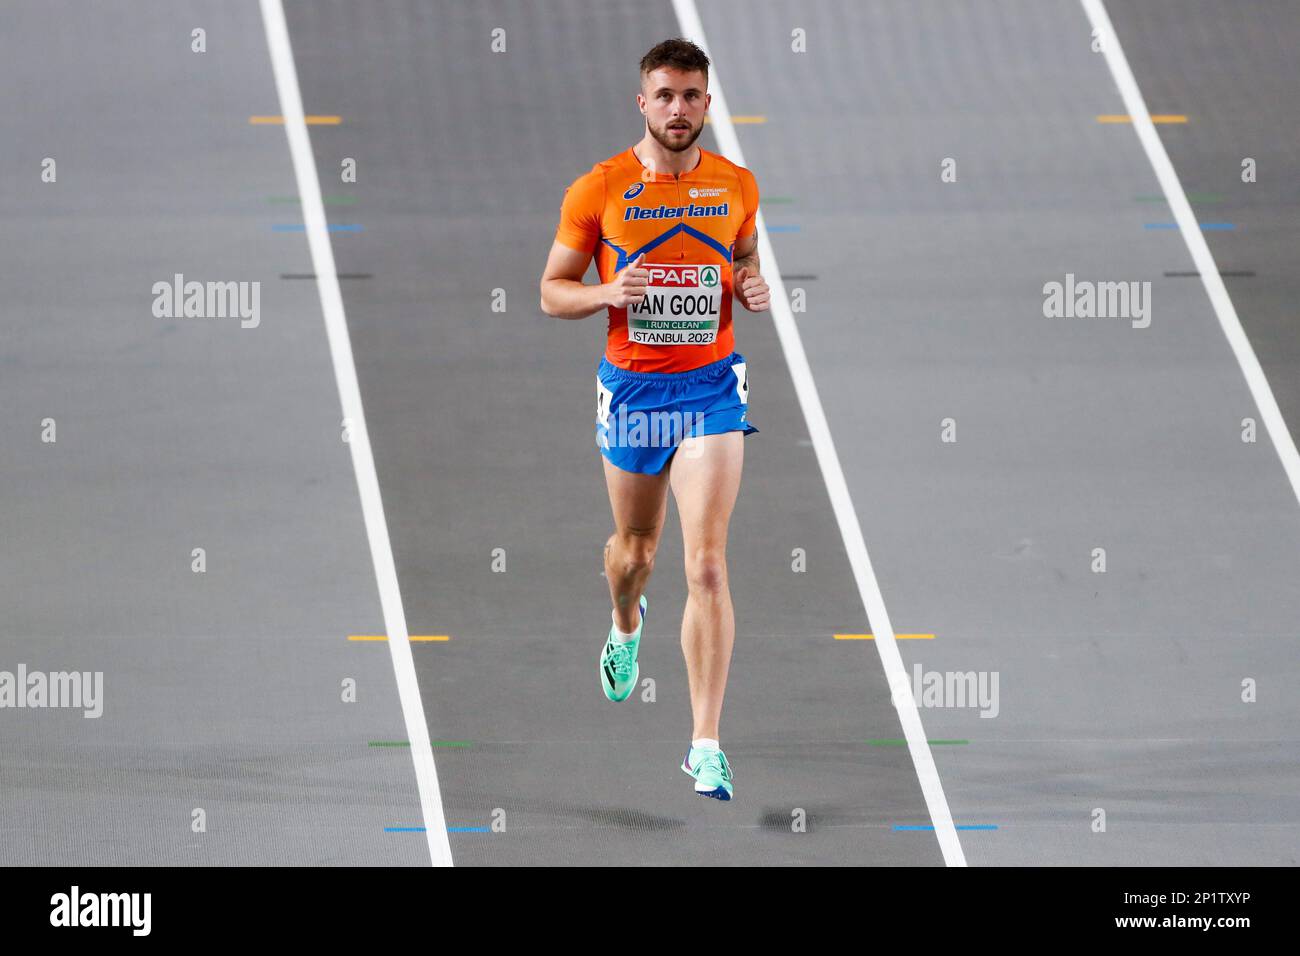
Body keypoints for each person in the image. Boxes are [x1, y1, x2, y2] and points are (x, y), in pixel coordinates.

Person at [539, 38, 770, 801]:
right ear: (643, 102)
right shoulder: (598, 189)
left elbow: (742, 256)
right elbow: (550, 290)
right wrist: (608, 294)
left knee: (705, 563)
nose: (679, 109)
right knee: (636, 552)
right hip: (635, 395)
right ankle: (626, 623)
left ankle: (705, 743)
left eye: (692, 96)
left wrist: (749, 282)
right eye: (665, 95)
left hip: (710, 389)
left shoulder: (737, 185)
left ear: (708, 103)